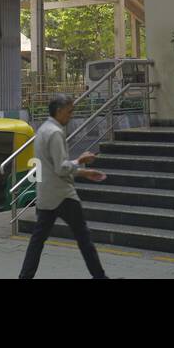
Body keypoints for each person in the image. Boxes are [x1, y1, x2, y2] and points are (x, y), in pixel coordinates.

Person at [19, 94, 109, 279]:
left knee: (37, 241)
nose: (71, 116)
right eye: (69, 112)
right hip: (63, 195)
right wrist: (81, 161)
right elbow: (62, 168)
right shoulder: (55, 133)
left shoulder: (44, 129)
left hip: (46, 195)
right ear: (59, 111)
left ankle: (24, 277)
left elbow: (54, 167)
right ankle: (100, 276)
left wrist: (85, 173)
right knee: (83, 238)